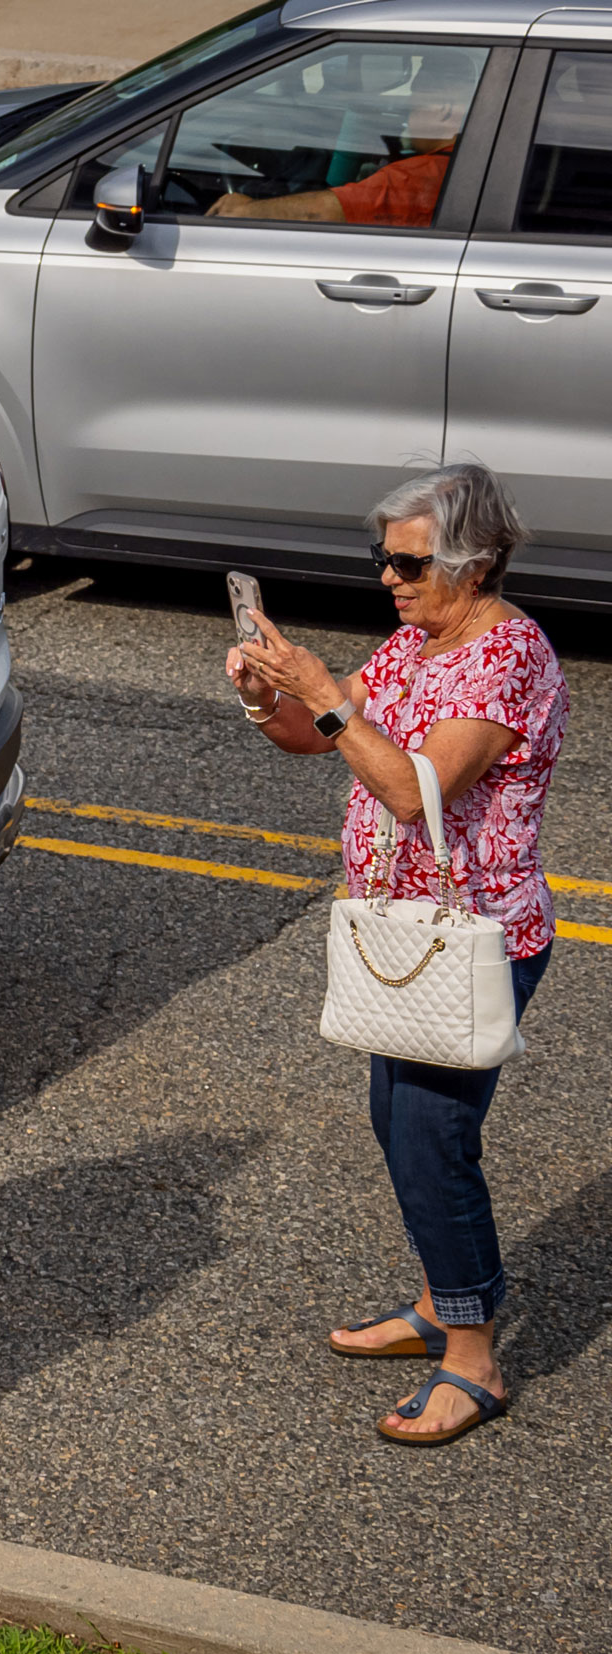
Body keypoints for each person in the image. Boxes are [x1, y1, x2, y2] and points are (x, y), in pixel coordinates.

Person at [228, 462, 567, 1445]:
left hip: (477, 938)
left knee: (430, 1138)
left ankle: (473, 1361)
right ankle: (438, 1302)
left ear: (475, 562)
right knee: (397, 1119)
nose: (388, 577)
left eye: (409, 561)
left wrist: (328, 696)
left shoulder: (506, 655)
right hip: (402, 936)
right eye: (383, 559)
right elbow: (316, 738)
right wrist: (267, 696)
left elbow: (414, 788)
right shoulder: (419, 639)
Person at [210, 55, 478, 226]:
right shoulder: (473, 161)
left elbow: (318, 214)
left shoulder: (419, 178)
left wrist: (247, 209)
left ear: (445, 109)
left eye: (416, 98)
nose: (407, 106)